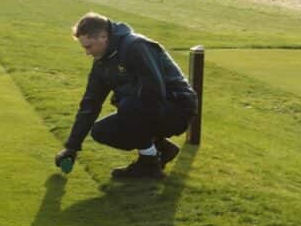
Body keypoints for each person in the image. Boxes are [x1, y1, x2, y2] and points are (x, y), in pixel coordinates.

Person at [54, 12, 197, 180]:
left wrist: (127, 110)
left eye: (89, 46)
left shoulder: (136, 46)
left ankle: (149, 163)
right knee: (101, 131)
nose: (87, 52)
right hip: (146, 108)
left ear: (103, 36)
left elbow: (154, 91)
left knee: (128, 105)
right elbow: (90, 104)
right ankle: (162, 149)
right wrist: (72, 147)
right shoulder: (102, 63)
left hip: (177, 107)